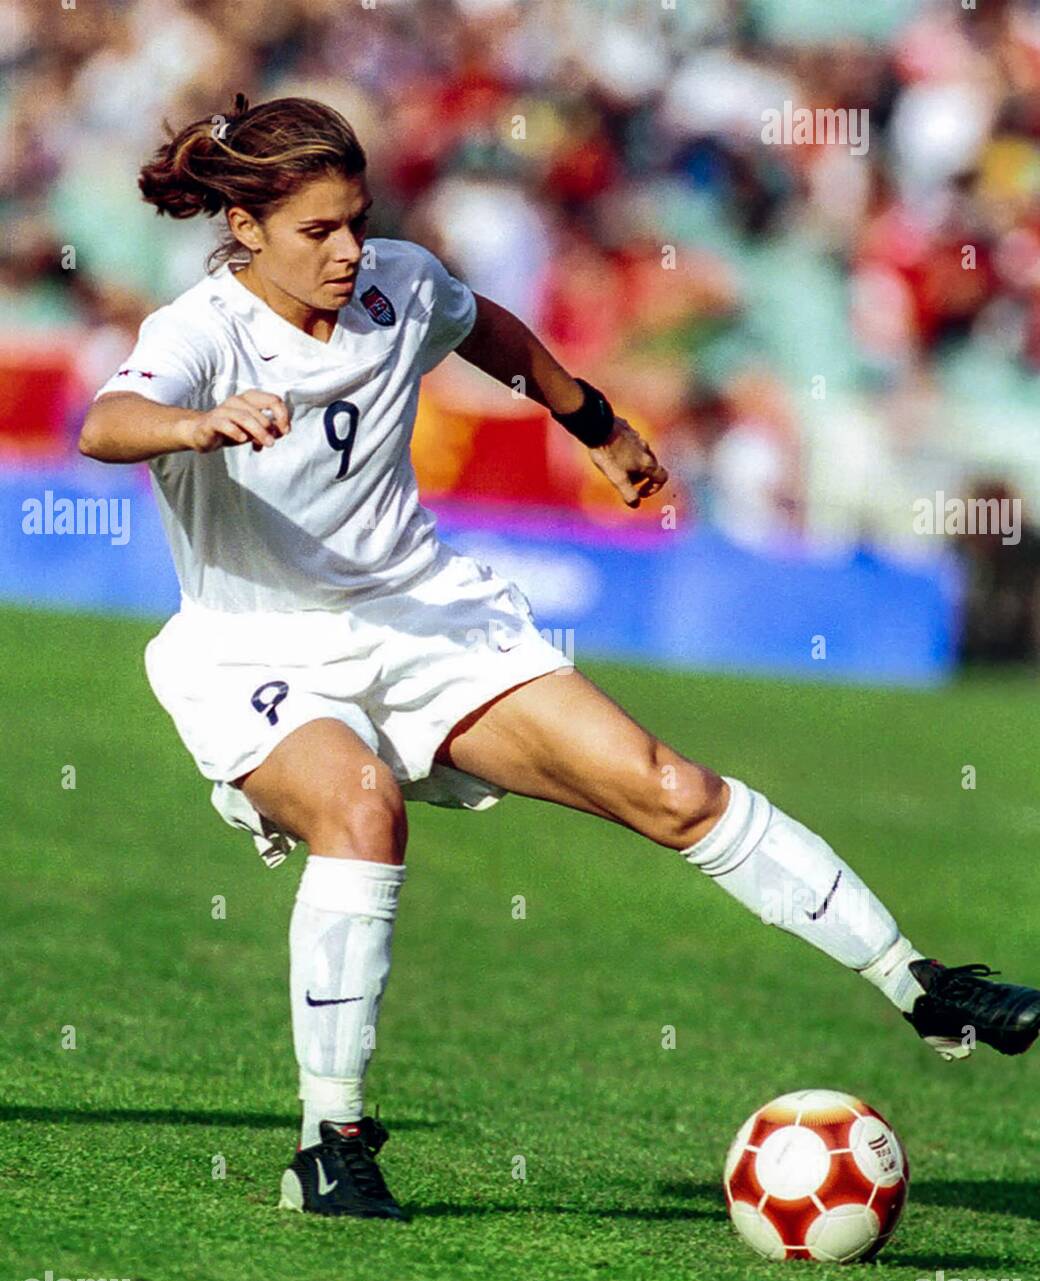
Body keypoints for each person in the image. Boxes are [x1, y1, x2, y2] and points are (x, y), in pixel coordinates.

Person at [78, 95, 1040, 1223]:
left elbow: (481, 325)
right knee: (358, 801)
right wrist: (195, 425)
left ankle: (922, 986)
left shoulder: (394, 278)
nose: (346, 252)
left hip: (423, 617)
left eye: (356, 221)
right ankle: (327, 1143)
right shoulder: (201, 332)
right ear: (244, 228)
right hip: (255, 648)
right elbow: (107, 422)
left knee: (670, 787)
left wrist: (592, 422)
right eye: (316, 233)